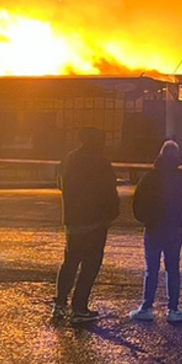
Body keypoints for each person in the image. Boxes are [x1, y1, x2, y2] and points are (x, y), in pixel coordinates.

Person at [53, 127, 119, 324]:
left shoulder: (69, 158)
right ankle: (79, 307)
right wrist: (111, 215)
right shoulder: (101, 162)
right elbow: (108, 192)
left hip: (72, 220)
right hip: (94, 222)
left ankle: (59, 303)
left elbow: (59, 183)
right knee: (90, 265)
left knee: (70, 262)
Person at [129, 140, 182, 323]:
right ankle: (173, 309)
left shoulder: (150, 177)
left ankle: (147, 307)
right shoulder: (181, 178)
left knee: (151, 269)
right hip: (173, 228)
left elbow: (138, 201)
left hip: (154, 227)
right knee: (173, 269)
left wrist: (146, 218)